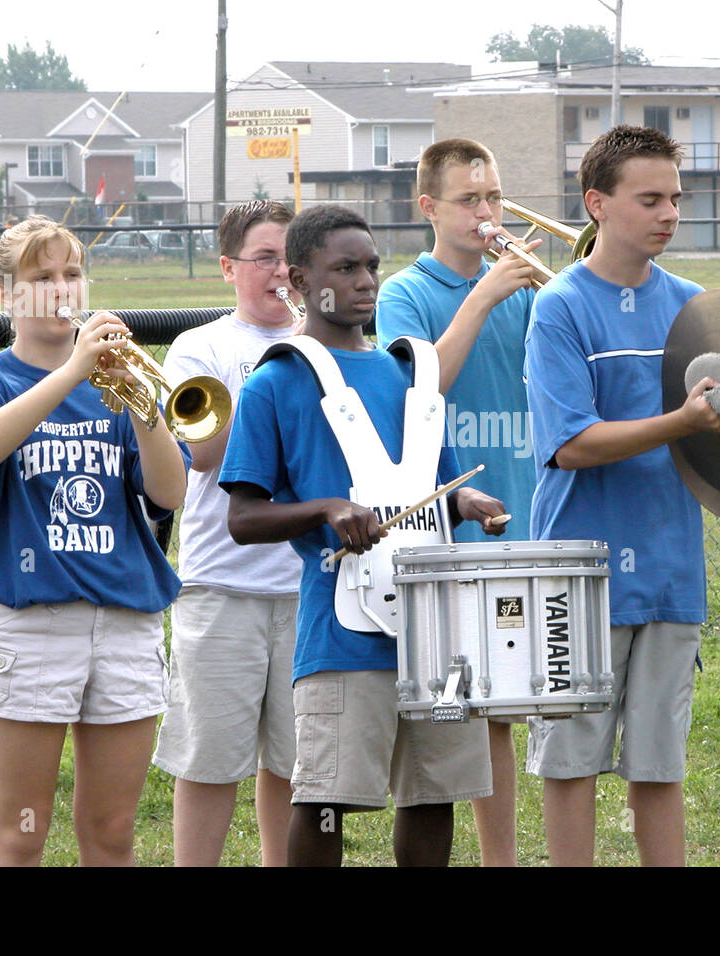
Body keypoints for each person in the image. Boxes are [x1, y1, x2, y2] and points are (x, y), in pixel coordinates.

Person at [220, 205, 508, 866]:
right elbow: (243, 516)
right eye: (344, 268)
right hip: (343, 631)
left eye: (372, 266)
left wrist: (463, 501)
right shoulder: (275, 382)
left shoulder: (407, 376)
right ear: (298, 279)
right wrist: (325, 509)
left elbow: (425, 488)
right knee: (324, 800)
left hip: (434, 626)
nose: (365, 281)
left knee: (433, 795)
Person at [0, 215, 189, 866]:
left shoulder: (116, 385)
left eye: (72, 274)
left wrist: (145, 409)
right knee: (20, 834)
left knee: (111, 834)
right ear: (6, 295)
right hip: (31, 626)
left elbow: (170, 494)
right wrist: (72, 370)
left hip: (126, 622)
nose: (62, 288)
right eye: (42, 277)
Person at [523, 125, 720, 867]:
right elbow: (572, 441)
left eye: (675, 197)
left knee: (659, 766)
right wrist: (681, 421)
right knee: (571, 762)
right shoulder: (560, 306)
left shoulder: (698, 304)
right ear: (597, 204)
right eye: (650, 199)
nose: (669, 212)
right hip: (582, 573)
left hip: (671, 571)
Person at [376, 138, 539, 867]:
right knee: (466, 713)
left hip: (529, 515)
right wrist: (485, 293)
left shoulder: (531, 289)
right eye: (470, 200)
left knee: (516, 708)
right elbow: (420, 392)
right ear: (429, 208)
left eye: (495, 197)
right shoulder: (403, 294)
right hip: (449, 526)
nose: (487, 212)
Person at [152, 199, 302, 867]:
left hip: (309, 587)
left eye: (290, 258)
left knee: (299, 767)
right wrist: (280, 378)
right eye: (265, 258)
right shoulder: (201, 347)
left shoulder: (328, 341)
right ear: (227, 267)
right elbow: (204, 452)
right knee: (211, 763)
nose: (281, 272)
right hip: (221, 586)